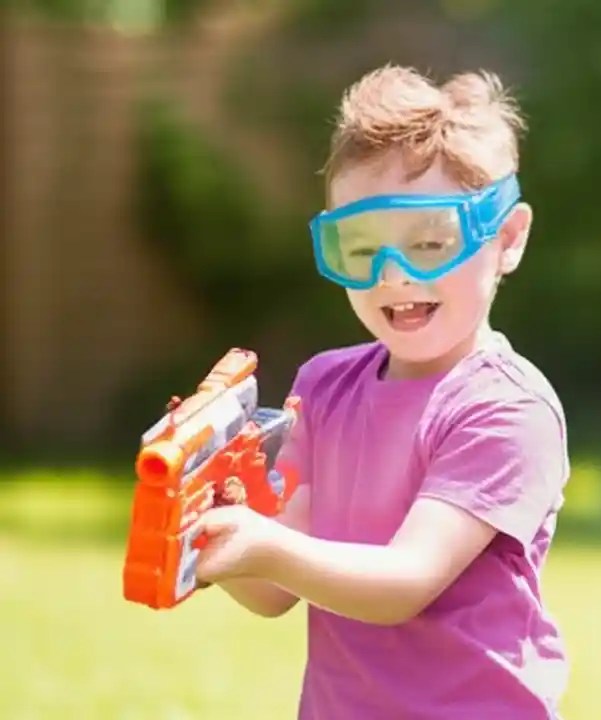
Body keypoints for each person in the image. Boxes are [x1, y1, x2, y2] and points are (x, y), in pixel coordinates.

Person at [190, 65, 571, 719]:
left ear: (506, 238)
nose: (393, 276)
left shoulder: (506, 409)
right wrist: (204, 538)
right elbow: (276, 591)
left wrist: (263, 544)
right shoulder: (326, 385)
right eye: (361, 250)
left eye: (428, 242)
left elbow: (404, 581)